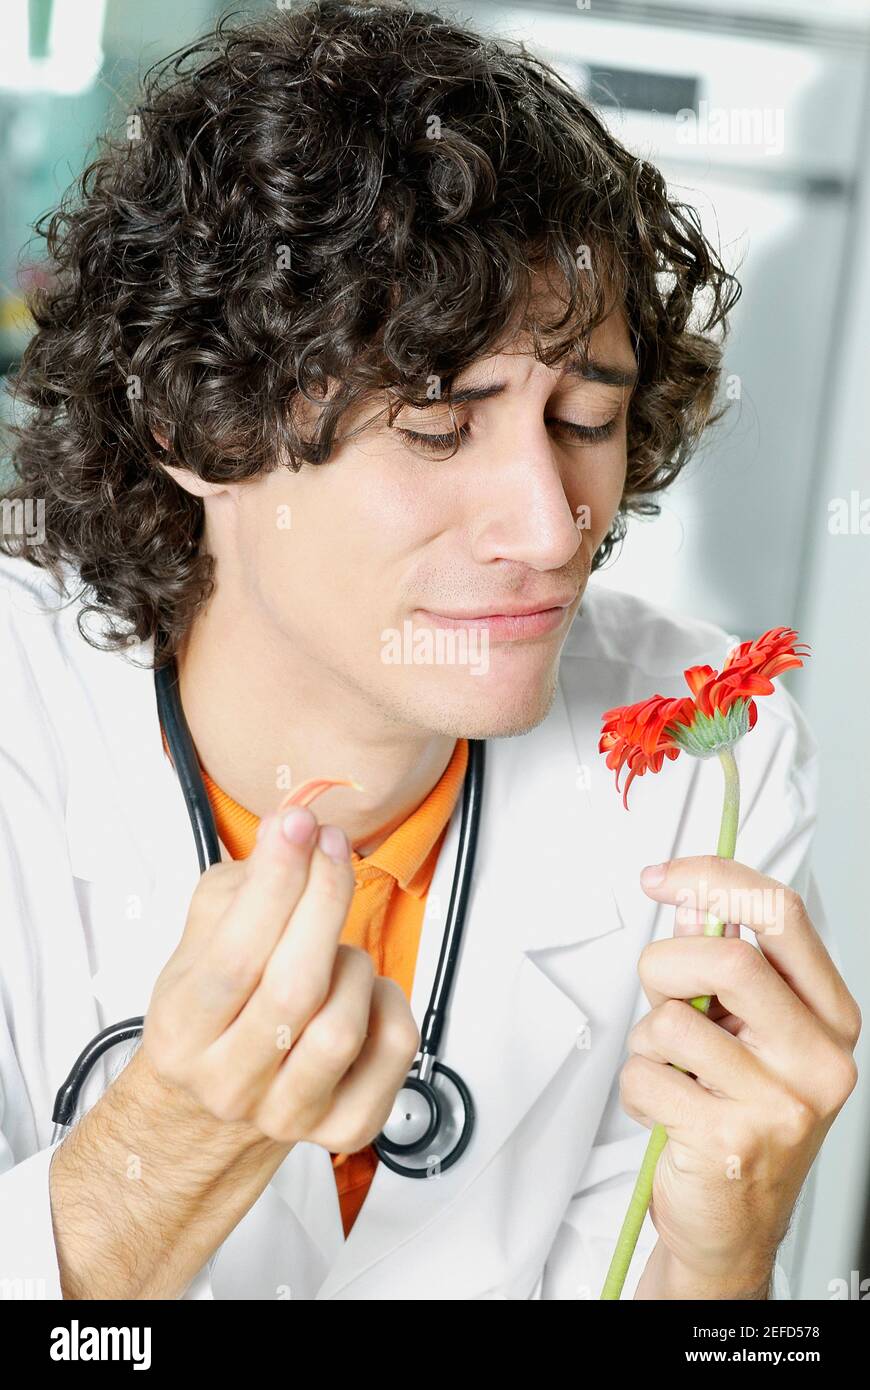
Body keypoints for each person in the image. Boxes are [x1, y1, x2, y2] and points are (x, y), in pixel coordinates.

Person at [0, 0, 859, 1301]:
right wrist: (149, 1168)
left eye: (585, 417)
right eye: (438, 423)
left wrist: (725, 1263)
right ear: (194, 418)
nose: (553, 522)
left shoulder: (703, 766)